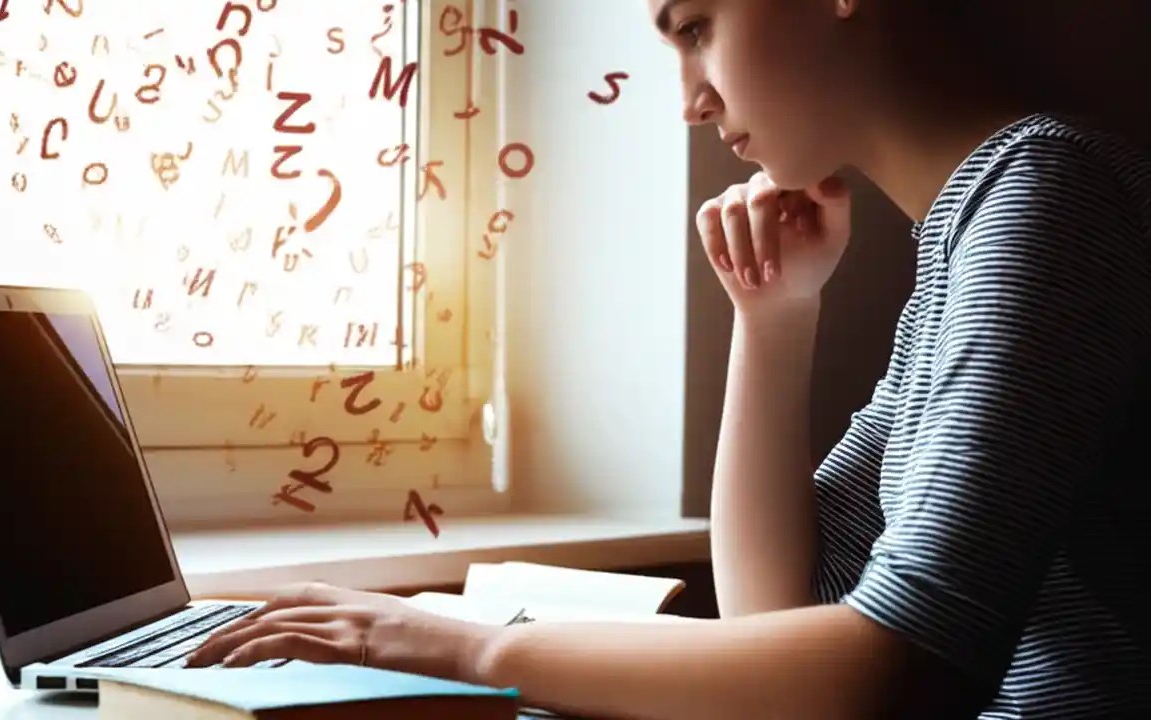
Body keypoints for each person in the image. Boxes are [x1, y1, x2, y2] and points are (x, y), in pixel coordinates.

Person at [187, 0, 1151, 717]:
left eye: (694, 28)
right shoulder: (969, 235)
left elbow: (898, 669)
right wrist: (773, 317)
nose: (690, 102)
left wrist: (459, 646)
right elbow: (772, 615)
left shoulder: (1051, 197)